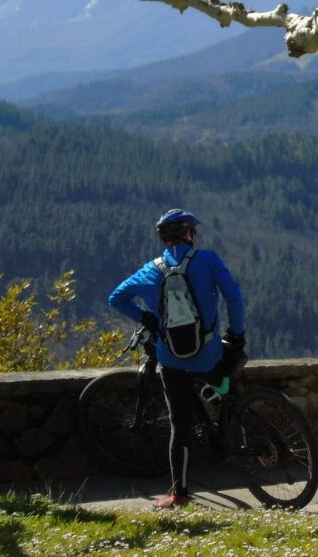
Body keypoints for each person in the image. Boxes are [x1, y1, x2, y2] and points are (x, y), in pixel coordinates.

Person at [109, 209, 246, 509]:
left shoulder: (150, 270)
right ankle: (230, 415)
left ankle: (179, 494)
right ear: (189, 235)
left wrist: (146, 317)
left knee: (179, 426)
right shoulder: (207, 260)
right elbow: (234, 296)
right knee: (225, 378)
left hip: (171, 358)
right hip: (208, 355)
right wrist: (237, 334)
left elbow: (115, 298)